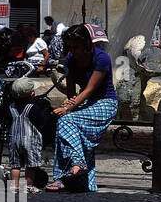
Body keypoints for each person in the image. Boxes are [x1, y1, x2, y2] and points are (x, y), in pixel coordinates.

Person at [46, 24, 118, 193]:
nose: (73, 50)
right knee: (67, 125)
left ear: (86, 43)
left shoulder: (102, 58)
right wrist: (69, 106)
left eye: (76, 46)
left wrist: (68, 109)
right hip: (86, 103)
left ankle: (65, 174)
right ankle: (84, 181)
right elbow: (71, 90)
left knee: (67, 120)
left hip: (105, 103)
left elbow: (89, 89)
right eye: (70, 47)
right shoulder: (71, 59)